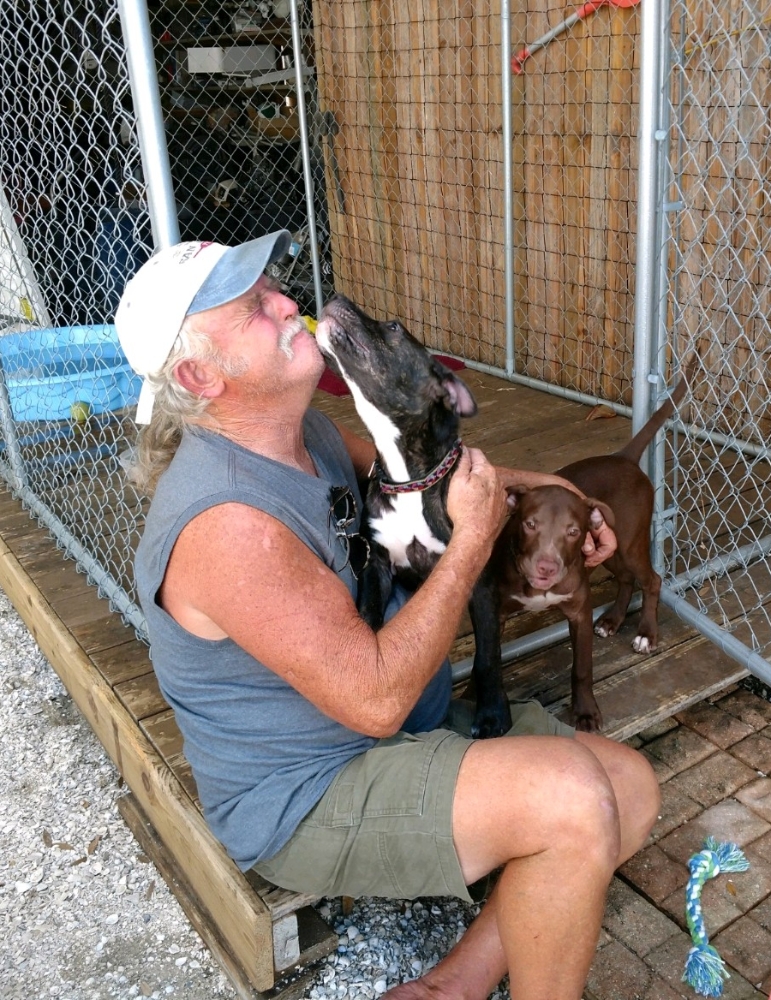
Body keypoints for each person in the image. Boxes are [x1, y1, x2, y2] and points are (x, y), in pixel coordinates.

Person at [115, 231, 660, 1000]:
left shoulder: (294, 430)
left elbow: (427, 474)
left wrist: (561, 498)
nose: (286, 302)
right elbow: (373, 701)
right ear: (204, 376)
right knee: (572, 801)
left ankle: (454, 984)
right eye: (254, 307)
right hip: (308, 791)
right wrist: (472, 540)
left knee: (629, 787)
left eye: (274, 286)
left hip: (400, 732)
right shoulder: (229, 525)